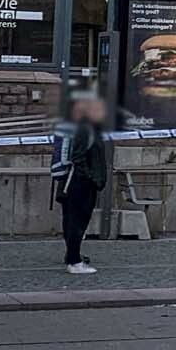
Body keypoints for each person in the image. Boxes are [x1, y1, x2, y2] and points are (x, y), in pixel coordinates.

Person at [51, 89, 112, 275]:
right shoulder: (84, 128)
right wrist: (92, 178)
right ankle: (74, 261)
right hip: (79, 183)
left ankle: (72, 255)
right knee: (77, 221)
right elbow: (78, 157)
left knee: (73, 220)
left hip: (75, 182)